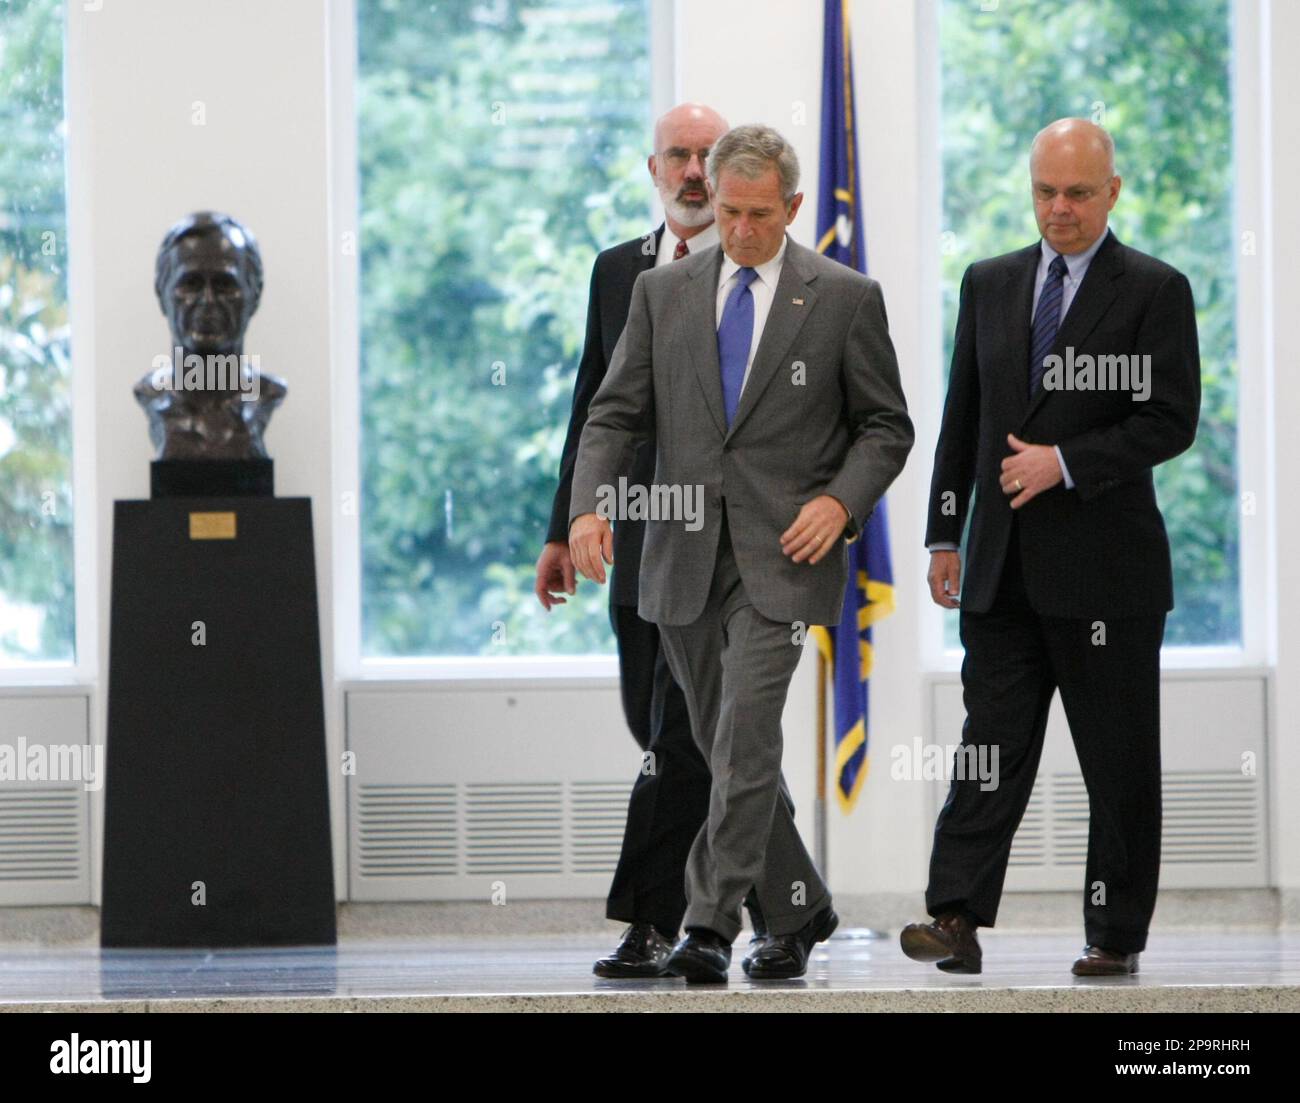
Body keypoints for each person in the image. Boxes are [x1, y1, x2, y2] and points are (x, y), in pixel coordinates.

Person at [569, 124, 913, 982]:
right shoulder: (662, 291)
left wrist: (840, 501)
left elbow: (886, 425)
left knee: (748, 733)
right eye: (730, 212)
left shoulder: (842, 296)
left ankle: (710, 925)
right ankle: (798, 907)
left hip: (784, 555)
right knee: (724, 744)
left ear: (793, 207)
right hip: (680, 554)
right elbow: (613, 413)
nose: (744, 230)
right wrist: (586, 509)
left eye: (761, 214)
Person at [902, 118, 1200, 977]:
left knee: (1117, 764)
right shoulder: (989, 282)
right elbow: (964, 414)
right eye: (1044, 192)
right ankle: (955, 917)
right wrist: (943, 532)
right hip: (999, 568)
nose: (1058, 209)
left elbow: (1169, 419)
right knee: (988, 746)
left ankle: (1113, 934)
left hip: (1109, 575)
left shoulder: (1154, 288)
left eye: (1076, 193)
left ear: (1112, 191)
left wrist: (1065, 462)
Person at [536, 103, 773, 978]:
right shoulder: (617, 272)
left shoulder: (756, 269)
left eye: (708, 156)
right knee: (681, 732)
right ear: (653, 167)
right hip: (634, 537)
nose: (694, 172)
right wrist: (566, 524)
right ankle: (793, 906)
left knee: (688, 737)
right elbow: (593, 405)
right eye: (678, 155)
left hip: (730, 545)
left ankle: (654, 919)